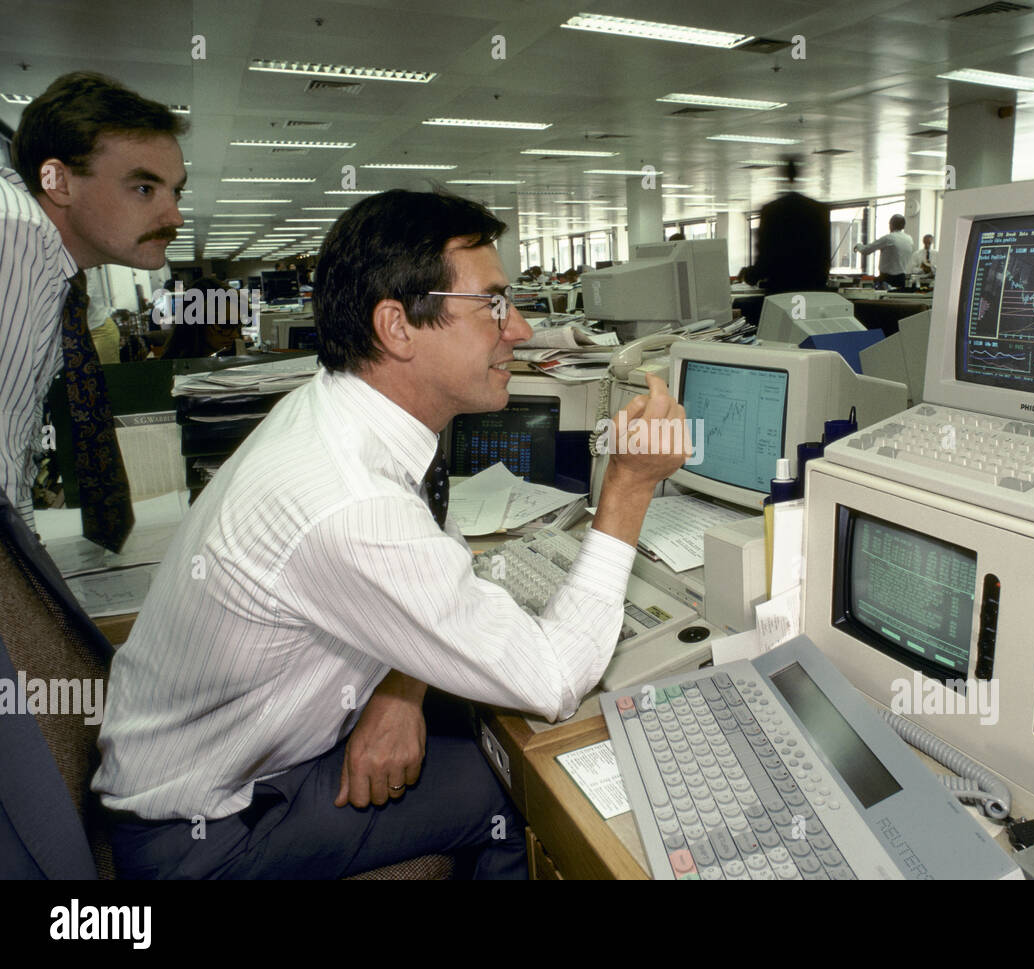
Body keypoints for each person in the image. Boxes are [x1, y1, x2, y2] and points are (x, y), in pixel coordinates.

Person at [93, 189, 691, 879]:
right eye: (493, 304)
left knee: (475, 735)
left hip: (218, 765)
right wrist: (629, 488)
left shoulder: (336, 413)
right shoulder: (349, 500)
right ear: (397, 326)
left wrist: (398, 685)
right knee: (520, 782)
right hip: (198, 838)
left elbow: (405, 562)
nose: (522, 329)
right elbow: (554, 679)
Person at [0, 72, 186, 541]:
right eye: (144, 188)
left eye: (175, 190)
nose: (175, 216)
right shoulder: (15, 234)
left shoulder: (50, 264)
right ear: (58, 182)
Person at [751, 158, 831, 296]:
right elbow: (825, 257)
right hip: (813, 290)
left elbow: (765, 257)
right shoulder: (819, 210)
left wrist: (752, 275)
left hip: (781, 290)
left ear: (782, 175)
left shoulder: (771, 211)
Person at [159, 276, 244, 359]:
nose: (235, 335)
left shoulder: (225, 357)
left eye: (238, 325)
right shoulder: (173, 367)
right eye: (225, 326)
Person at [856, 214, 914, 289]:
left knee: (883, 299)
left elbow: (866, 250)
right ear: (903, 226)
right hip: (902, 278)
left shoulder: (889, 238)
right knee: (897, 299)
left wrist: (858, 246)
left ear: (891, 225)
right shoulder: (909, 239)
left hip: (887, 279)